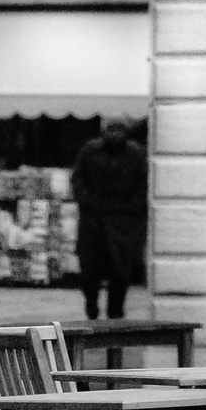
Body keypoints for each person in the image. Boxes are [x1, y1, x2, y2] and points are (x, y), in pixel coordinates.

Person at [71, 116, 148, 320]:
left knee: (121, 272)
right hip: (93, 221)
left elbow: (144, 183)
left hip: (123, 223)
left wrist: (132, 209)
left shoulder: (136, 154)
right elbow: (78, 178)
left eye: (119, 130)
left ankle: (116, 311)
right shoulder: (90, 151)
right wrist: (86, 202)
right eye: (111, 130)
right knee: (89, 271)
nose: (115, 134)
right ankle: (91, 307)